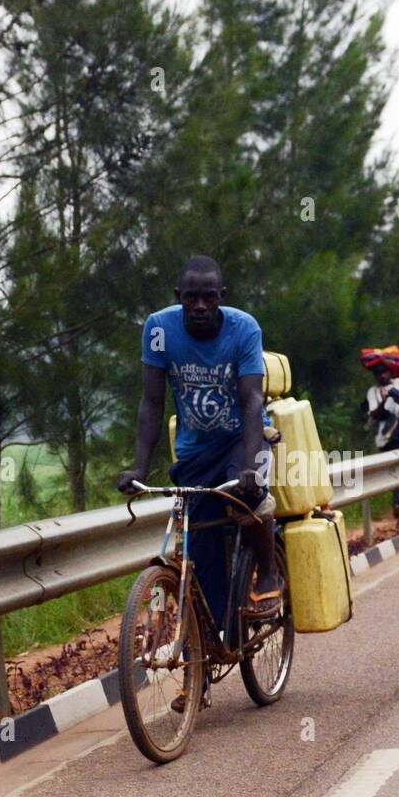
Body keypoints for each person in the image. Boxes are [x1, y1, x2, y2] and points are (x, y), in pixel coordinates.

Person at [117, 256, 282, 653]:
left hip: (241, 440)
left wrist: (249, 465)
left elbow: (251, 399)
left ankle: (269, 574)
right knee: (200, 562)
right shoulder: (158, 329)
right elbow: (152, 402)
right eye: (192, 298)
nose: (201, 306)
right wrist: (138, 466)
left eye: (210, 298)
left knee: (249, 495)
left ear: (221, 298)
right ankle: (205, 664)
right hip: (194, 453)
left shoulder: (244, 329)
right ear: (179, 297)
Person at [361, 347, 399, 517]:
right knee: (394, 469)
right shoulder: (373, 392)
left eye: (383, 372)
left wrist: (398, 397)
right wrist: (385, 399)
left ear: (389, 370)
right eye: (377, 373)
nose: (380, 376)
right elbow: (376, 415)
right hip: (384, 437)